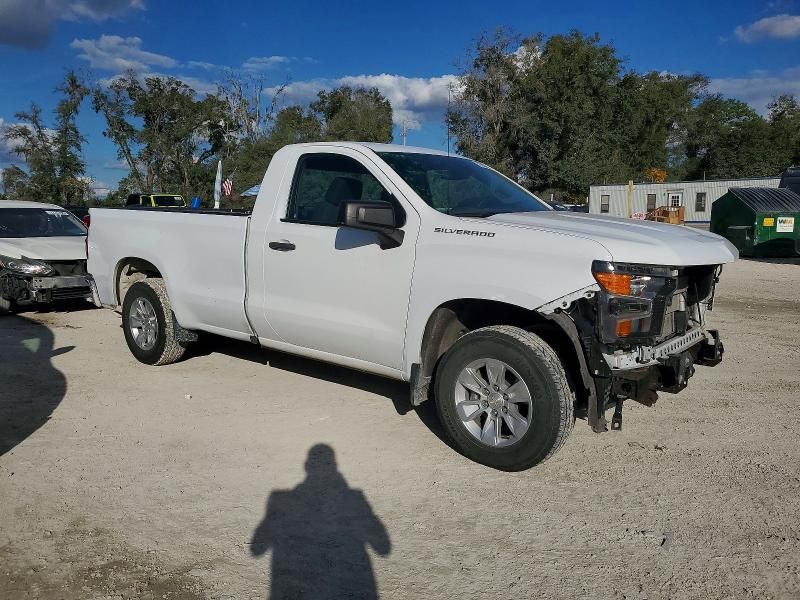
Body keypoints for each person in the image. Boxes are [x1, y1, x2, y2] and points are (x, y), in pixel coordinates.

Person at [250, 444, 391, 599]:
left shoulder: (282, 499)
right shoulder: (354, 498)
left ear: (307, 466)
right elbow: (383, 548)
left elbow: (257, 550)